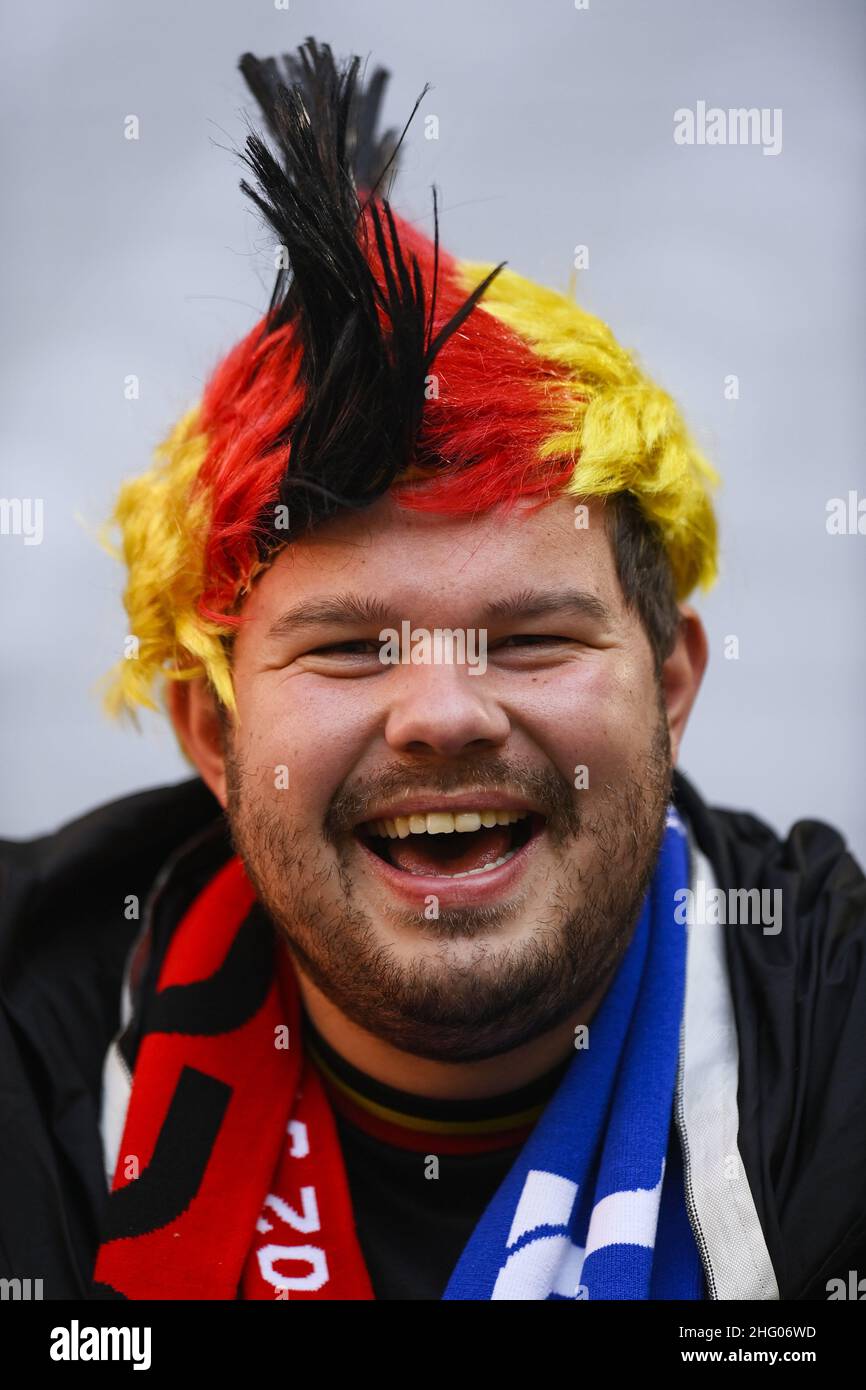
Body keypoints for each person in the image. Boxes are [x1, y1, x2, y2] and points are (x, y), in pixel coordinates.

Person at [1, 36, 863, 1303]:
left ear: (671, 683)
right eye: (349, 647)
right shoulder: (31, 1042)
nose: (443, 713)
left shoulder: (837, 1030)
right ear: (212, 730)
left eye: (529, 638)